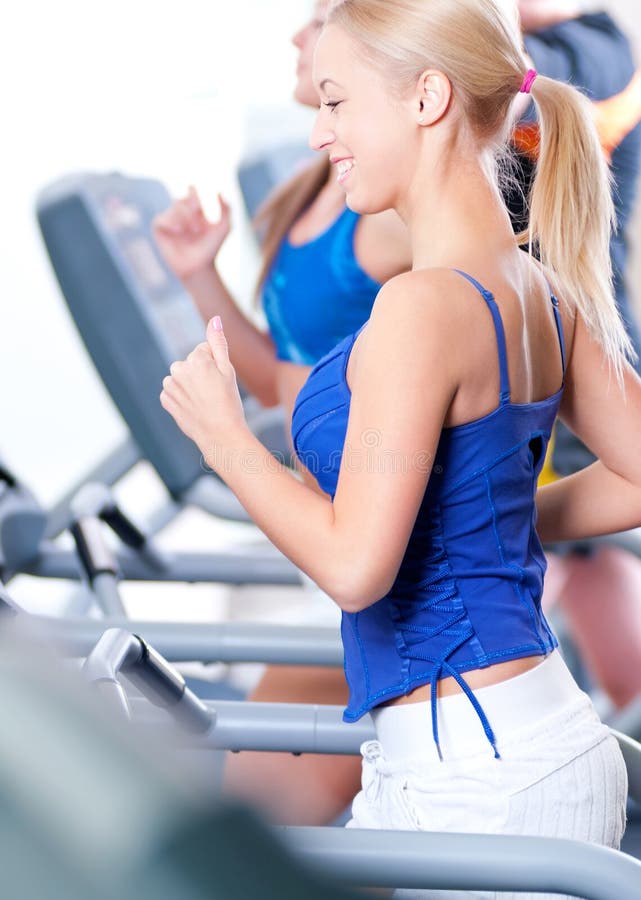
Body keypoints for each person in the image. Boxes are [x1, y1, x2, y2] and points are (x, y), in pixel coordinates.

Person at [160, 0, 641, 869]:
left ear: (426, 99)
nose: (318, 134)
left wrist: (223, 439)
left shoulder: (420, 307)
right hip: (505, 740)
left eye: (337, 103)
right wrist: (485, 527)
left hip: (479, 766)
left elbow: (353, 570)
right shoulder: (537, 289)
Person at [152, 0, 411, 825]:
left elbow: (473, 304)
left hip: (373, 551)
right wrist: (198, 273)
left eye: (318, 20)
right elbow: (283, 379)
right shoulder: (317, 185)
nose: (299, 38)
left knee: (259, 823)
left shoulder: (391, 213)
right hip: (332, 537)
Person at [512, 1, 641, 712]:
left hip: (575, 358)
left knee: (523, 573)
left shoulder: (594, 48)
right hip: (567, 348)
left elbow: (498, 77)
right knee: (592, 580)